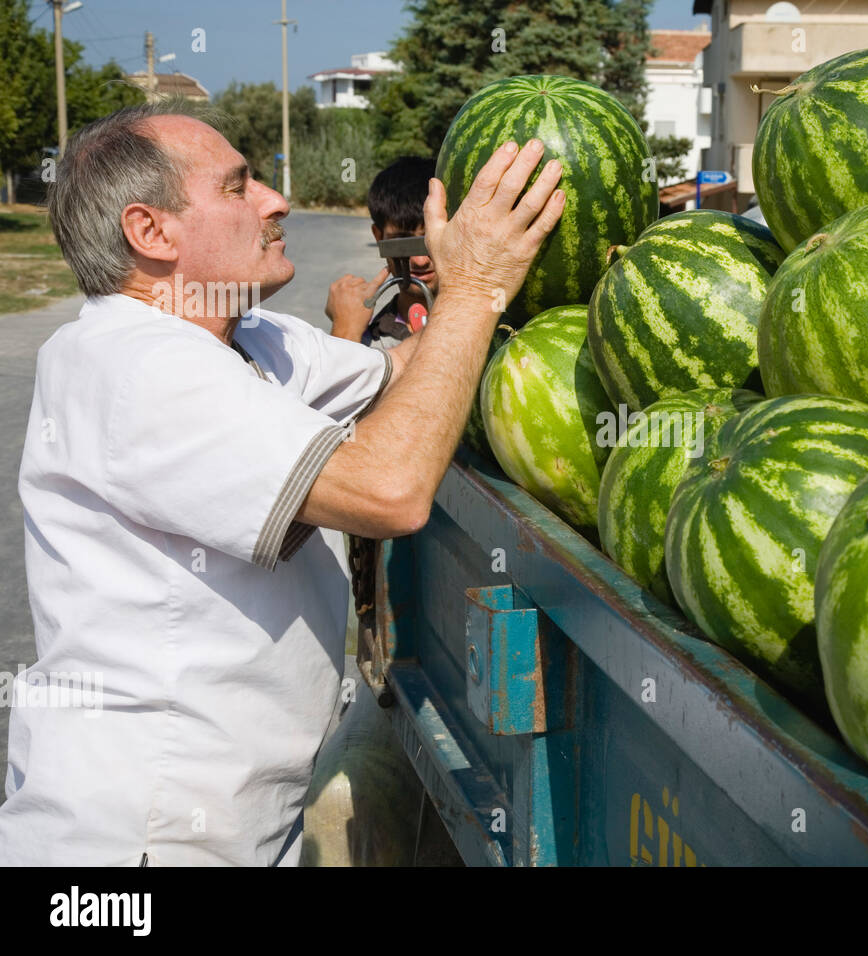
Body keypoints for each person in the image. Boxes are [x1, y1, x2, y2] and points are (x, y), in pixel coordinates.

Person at [0, 99, 565, 865]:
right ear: (151, 232)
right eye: (238, 188)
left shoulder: (251, 339)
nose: (277, 201)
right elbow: (390, 490)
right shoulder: (130, 366)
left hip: (236, 826)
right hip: (139, 842)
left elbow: (403, 373)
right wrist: (474, 288)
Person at [325, 156, 440, 350]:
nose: (420, 261)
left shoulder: (494, 324)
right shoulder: (362, 343)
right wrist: (344, 333)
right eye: (403, 242)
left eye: (432, 240)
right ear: (378, 237)